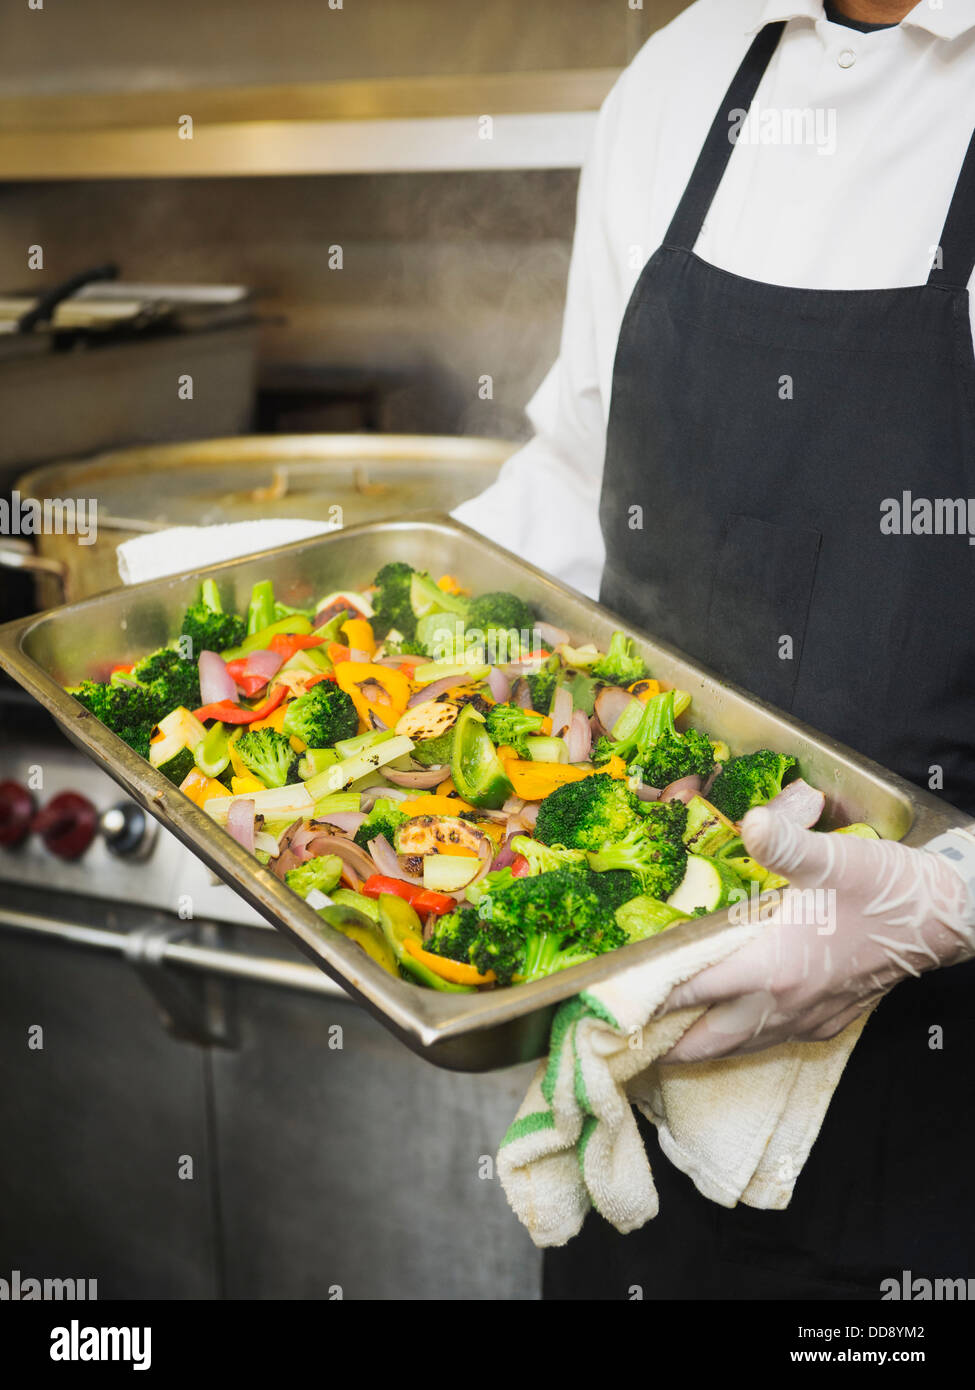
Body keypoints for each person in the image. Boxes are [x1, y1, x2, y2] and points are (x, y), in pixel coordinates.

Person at [453, 0, 975, 1299]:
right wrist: (418, 614)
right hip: (647, 1105)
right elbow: (583, 475)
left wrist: (946, 902)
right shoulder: (685, 73)